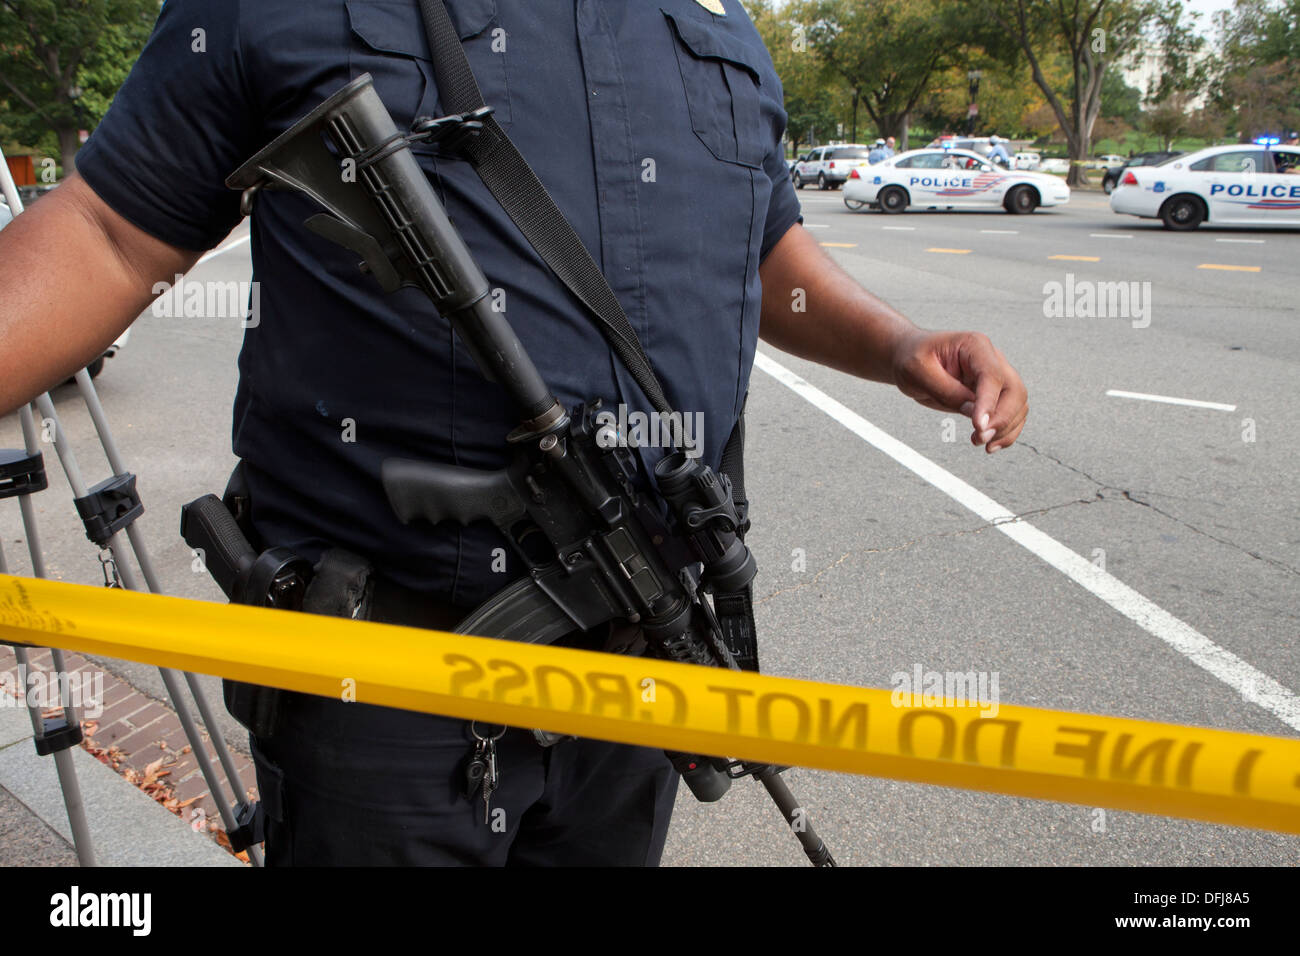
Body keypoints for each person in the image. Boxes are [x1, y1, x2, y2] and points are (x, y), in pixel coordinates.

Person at [0, 0, 1028, 866]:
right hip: (379, 683)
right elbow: (109, 231)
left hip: (637, 657)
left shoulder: (711, 21)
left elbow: (767, 250)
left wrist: (898, 343)